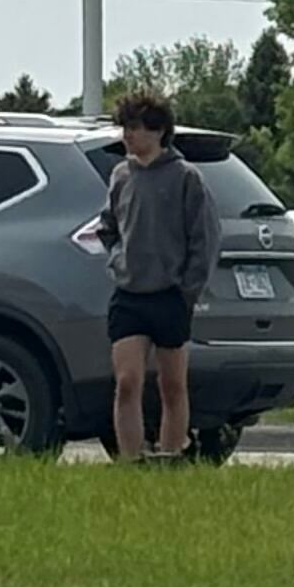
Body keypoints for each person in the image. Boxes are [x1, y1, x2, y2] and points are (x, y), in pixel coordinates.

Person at [100, 90, 218, 462]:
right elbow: (108, 228)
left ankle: (170, 454)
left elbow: (205, 239)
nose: (128, 136)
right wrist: (119, 260)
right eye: (125, 128)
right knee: (128, 380)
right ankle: (131, 460)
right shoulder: (121, 175)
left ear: (158, 130)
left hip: (170, 295)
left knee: (172, 385)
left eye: (135, 128)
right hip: (130, 295)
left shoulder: (186, 178)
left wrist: (187, 289)